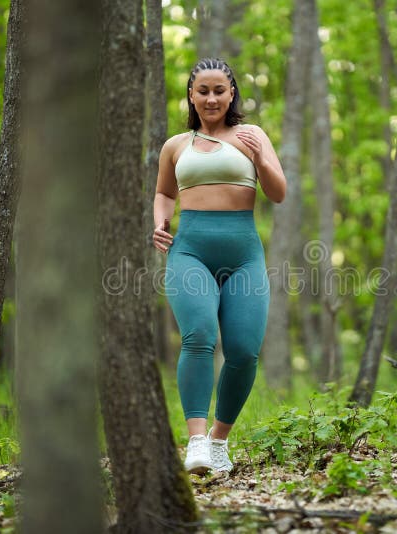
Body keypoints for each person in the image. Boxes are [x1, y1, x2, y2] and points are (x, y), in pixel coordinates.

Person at [152, 58, 286, 474]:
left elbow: (278, 193)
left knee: (244, 351)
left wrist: (261, 157)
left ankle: (217, 442)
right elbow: (164, 193)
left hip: (244, 252)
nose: (211, 98)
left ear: (232, 95)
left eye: (219, 91)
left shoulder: (252, 135)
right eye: (203, 91)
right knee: (199, 336)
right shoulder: (176, 145)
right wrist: (160, 222)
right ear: (191, 95)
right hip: (190, 250)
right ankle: (194, 440)